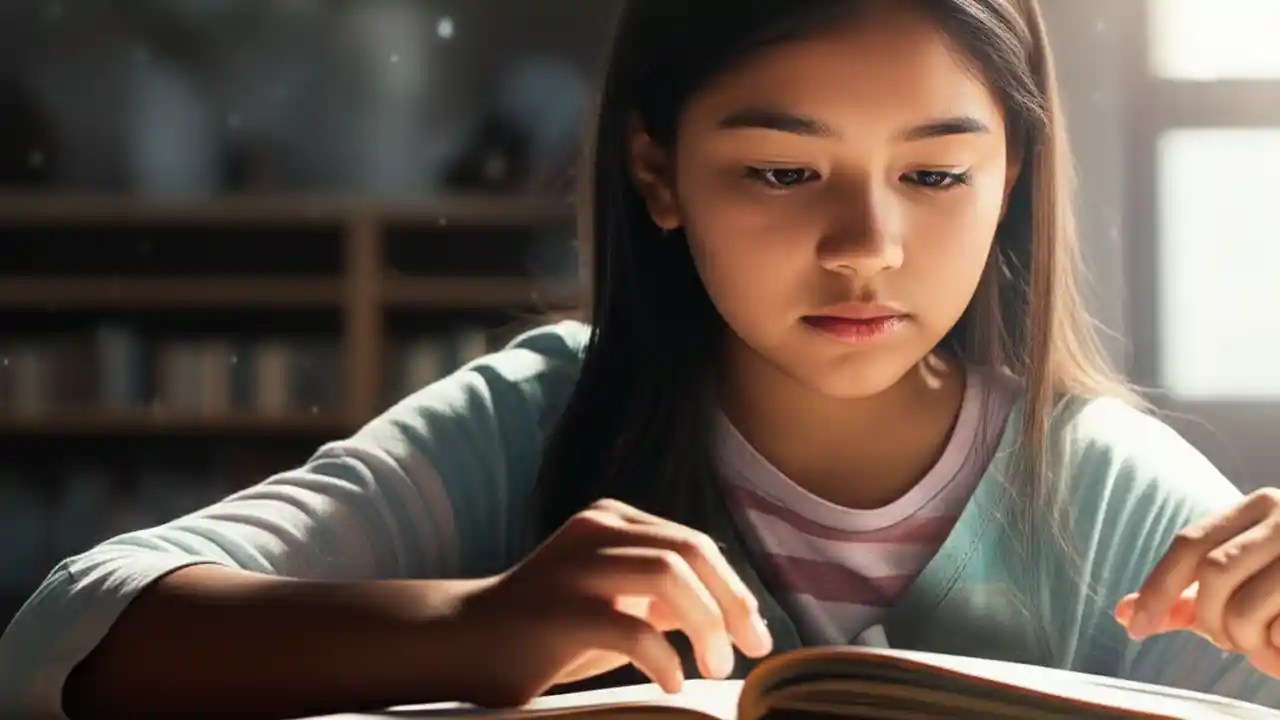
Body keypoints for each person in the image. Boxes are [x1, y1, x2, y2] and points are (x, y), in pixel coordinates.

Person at [4, 1, 1280, 716]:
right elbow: (62, 636)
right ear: (657, 175)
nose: (865, 249)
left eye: (936, 174)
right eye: (780, 172)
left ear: (1011, 184)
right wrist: (469, 626)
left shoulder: (1099, 486)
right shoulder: (529, 418)